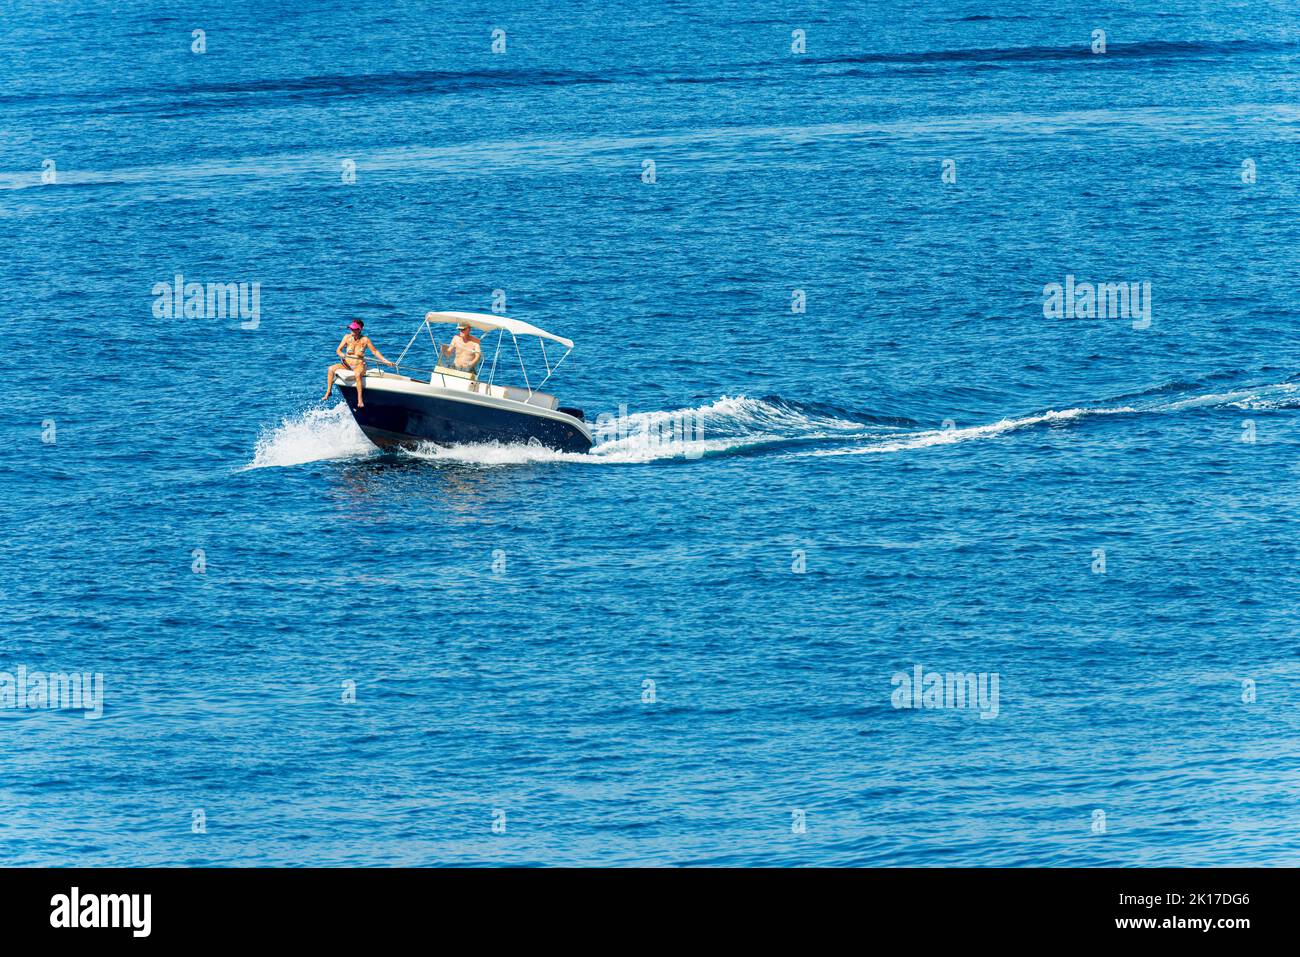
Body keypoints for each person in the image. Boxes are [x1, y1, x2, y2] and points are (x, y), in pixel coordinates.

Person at [323, 320, 393, 408]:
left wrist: (386, 361)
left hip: (359, 366)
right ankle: (328, 391)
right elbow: (338, 350)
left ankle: (360, 400)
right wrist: (342, 355)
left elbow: (375, 352)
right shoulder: (347, 337)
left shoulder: (365, 340)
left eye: (354, 329)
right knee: (331, 369)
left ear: (359, 329)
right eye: (351, 328)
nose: (351, 330)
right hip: (346, 365)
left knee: (357, 374)